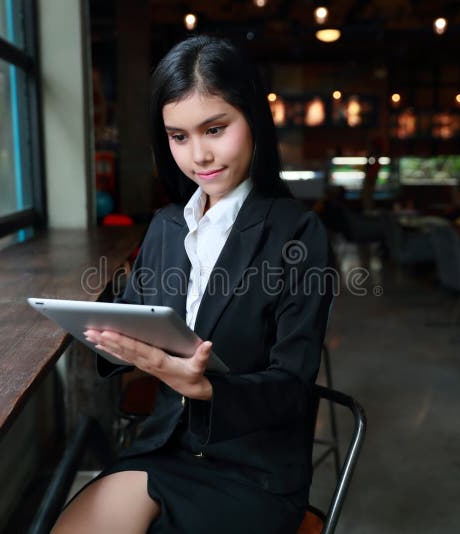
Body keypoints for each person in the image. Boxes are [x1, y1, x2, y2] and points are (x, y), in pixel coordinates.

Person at [52, 35, 334, 533]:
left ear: (254, 120)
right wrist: (112, 342)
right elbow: (136, 320)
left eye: (216, 128)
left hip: (254, 470)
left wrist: (205, 388)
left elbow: (293, 388)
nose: (198, 155)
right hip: (165, 447)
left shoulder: (297, 233)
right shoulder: (167, 226)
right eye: (178, 137)